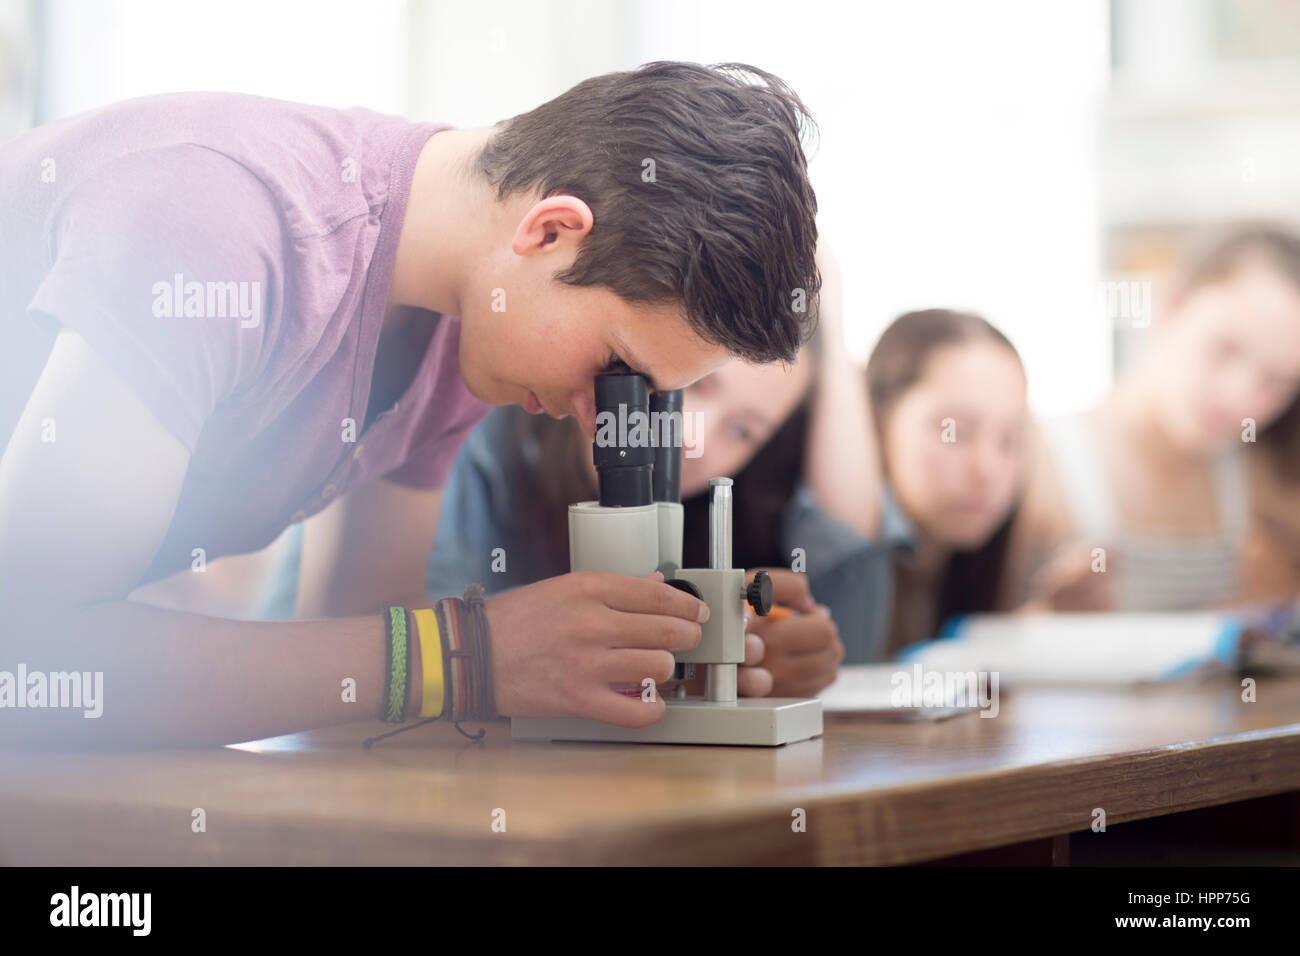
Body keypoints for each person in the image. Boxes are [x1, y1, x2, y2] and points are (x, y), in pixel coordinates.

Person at [0, 62, 822, 746]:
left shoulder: (467, 334)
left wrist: (665, 640)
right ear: (549, 232)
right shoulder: (216, 227)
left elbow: (355, 668)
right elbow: (30, 662)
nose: (596, 416)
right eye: (615, 368)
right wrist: (474, 651)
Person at [266, 246, 876, 698]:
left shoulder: (699, 511)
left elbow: (856, 570)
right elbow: (395, 668)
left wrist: (727, 659)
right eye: (691, 387)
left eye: (744, 431)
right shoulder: (467, 417)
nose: (695, 438)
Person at [1008, 224, 1300, 612]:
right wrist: (1037, 626)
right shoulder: (1033, 462)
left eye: (1275, 381)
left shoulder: (1267, 482)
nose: (1238, 396)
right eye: (1225, 349)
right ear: (1172, 304)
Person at [849, 309, 1032, 660]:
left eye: (1011, 441)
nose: (988, 469)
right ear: (877, 420)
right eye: (957, 433)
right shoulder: (831, 558)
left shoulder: (980, 571)